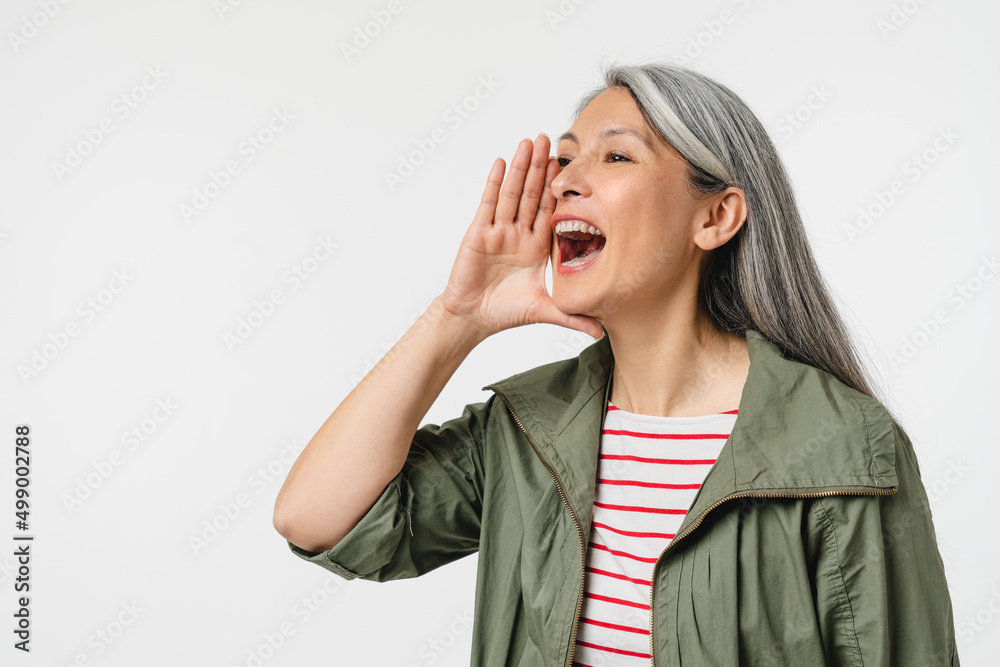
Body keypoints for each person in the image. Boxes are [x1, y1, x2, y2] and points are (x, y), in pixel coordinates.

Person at [273, 61, 960, 666]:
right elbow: (314, 516)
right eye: (565, 161)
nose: (567, 182)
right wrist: (459, 316)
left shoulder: (843, 447)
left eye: (616, 158)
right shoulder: (526, 430)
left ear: (716, 217)